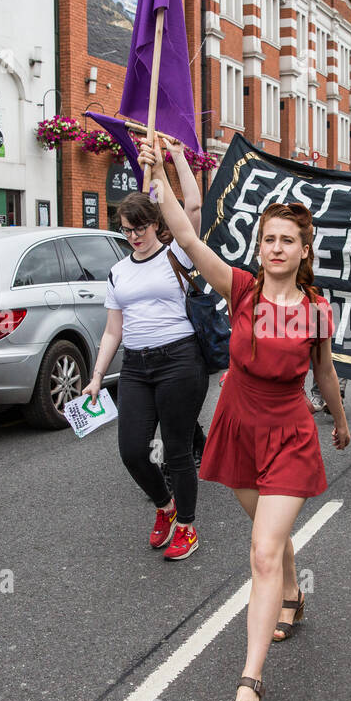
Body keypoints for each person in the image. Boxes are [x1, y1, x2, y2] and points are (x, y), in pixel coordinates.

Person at [141, 139, 349, 701]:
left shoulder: (313, 310)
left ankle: (250, 679)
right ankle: (293, 591)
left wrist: (337, 419)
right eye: (269, 239)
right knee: (267, 532)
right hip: (237, 425)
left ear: (304, 249)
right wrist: (161, 178)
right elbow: (186, 236)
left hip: (288, 432)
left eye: (287, 240)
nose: (276, 247)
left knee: (261, 550)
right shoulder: (241, 290)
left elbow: (326, 372)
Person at [83, 133, 209, 562]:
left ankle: (187, 527)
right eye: (126, 230)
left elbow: (192, 206)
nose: (134, 236)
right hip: (136, 366)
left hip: (179, 360)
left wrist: (175, 157)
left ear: (155, 223)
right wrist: (97, 377)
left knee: (176, 452)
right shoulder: (118, 272)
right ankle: (165, 507)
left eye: (140, 228)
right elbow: (111, 331)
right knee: (133, 451)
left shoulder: (178, 254)